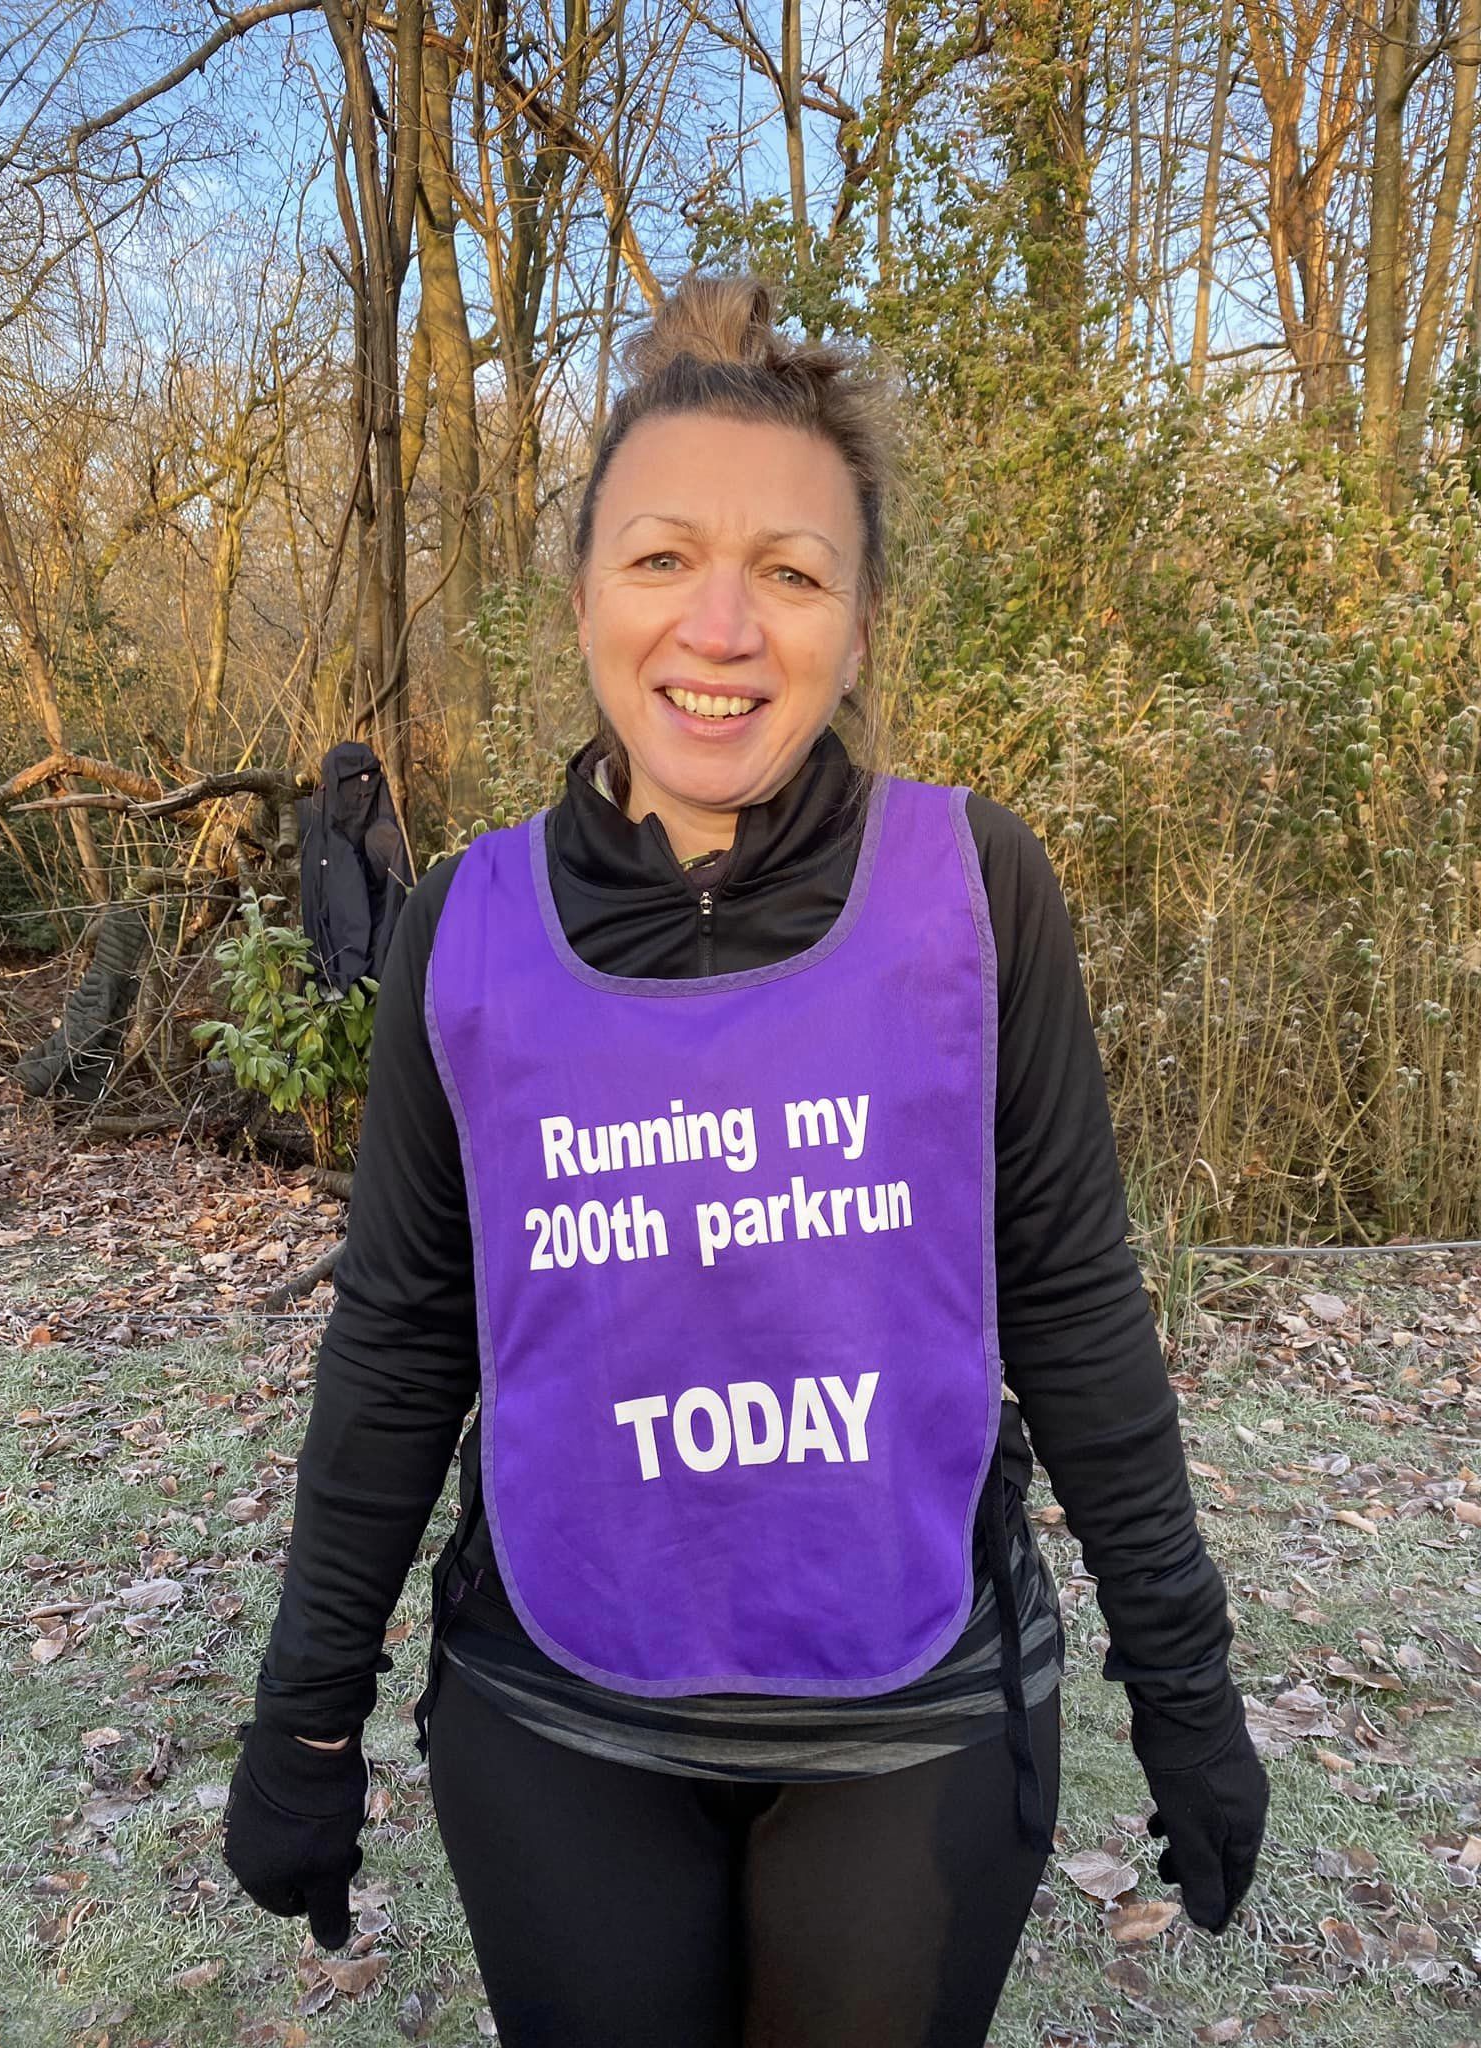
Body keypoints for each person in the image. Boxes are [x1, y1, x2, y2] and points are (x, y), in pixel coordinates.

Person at [222, 271, 1270, 2048]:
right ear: (581, 601)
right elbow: (402, 1336)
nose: (721, 626)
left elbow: (1075, 1302)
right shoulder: (464, 931)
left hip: (911, 1717)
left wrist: (1187, 1689)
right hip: (558, 1714)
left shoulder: (974, 892)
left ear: (858, 626)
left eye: (790, 571)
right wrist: (306, 1716)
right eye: (660, 559)